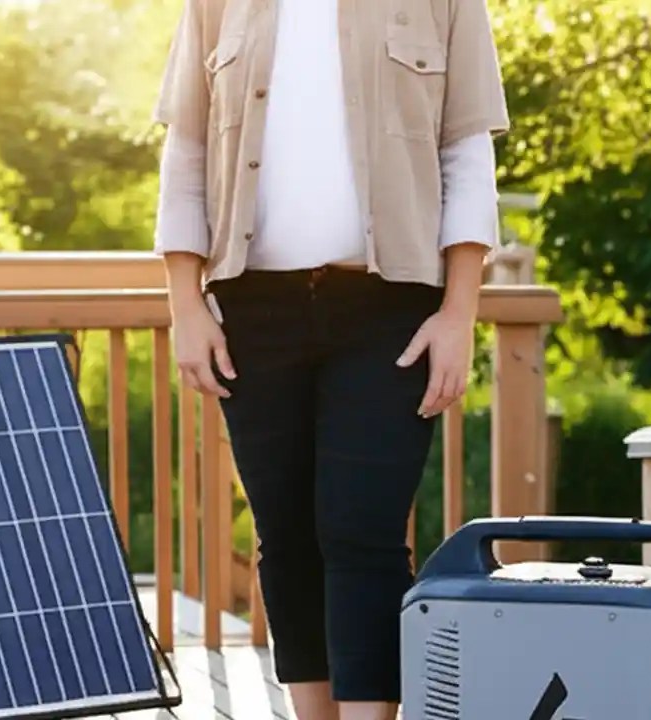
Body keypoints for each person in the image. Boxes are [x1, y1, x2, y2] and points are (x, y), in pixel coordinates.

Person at [151, 1, 509, 718]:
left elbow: (467, 153)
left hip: (391, 307)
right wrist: (184, 306)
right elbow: (187, 148)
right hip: (254, 307)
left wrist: (459, 313)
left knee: (363, 531)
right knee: (285, 535)